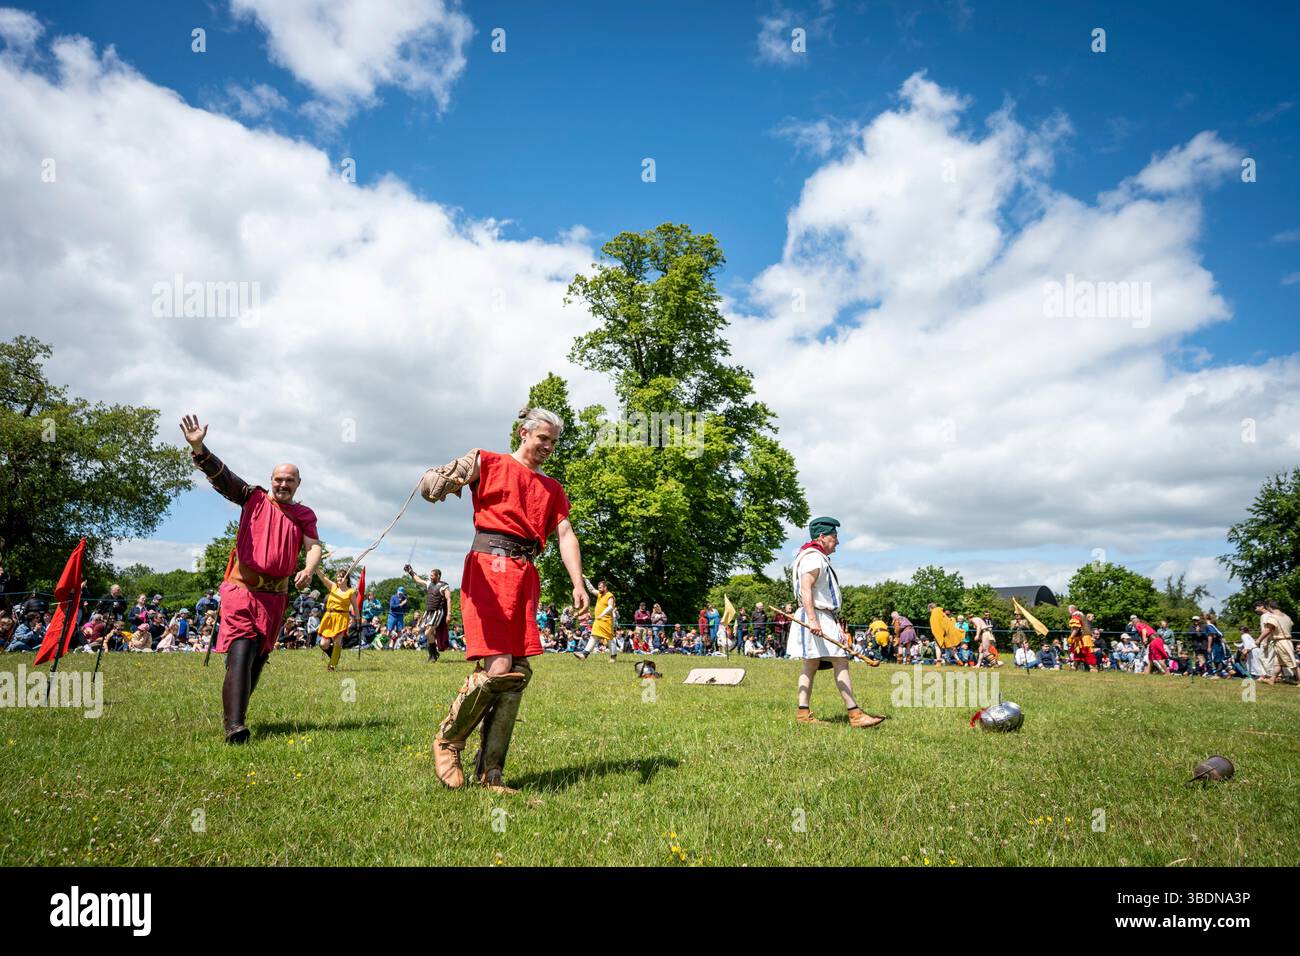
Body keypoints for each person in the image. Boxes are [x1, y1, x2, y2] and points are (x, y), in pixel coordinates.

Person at [424, 407, 588, 793]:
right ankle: (449, 740)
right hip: (489, 565)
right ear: (523, 433)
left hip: (525, 574)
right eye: (542, 438)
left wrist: (577, 582)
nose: (547, 446)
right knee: (498, 666)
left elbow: (565, 535)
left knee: (517, 673)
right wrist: (439, 481)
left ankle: (491, 772)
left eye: (553, 441)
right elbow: (433, 484)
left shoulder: (553, 489)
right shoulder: (488, 461)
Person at [180, 413, 322, 743]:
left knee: (258, 656)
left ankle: (238, 712)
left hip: (275, 598)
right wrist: (200, 447)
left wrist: (308, 568)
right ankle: (235, 727)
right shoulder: (253, 498)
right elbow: (224, 477)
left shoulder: (304, 515)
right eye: (278, 479)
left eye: (289, 480)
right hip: (242, 591)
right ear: (270, 480)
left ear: (298, 484)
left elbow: (313, 546)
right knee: (241, 650)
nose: (283, 484)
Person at [786, 516, 885, 728]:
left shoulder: (813, 556)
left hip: (821, 615)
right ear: (822, 537)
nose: (837, 542)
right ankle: (855, 714)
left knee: (810, 663)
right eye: (834, 537)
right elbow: (806, 588)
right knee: (840, 660)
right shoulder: (813, 557)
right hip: (816, 615)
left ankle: (803, 713)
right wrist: (814, 620)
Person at [406, 564, 451, 663]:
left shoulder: (444, 586)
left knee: (427, 632)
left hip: (437, 612)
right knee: (424, 632)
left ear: (438, 575)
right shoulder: (428, 583)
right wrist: (410, 572)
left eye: (432, 575)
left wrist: (449, 614)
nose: (430, 577)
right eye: (430, 575)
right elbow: (418, 580)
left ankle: (433, 654)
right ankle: (433, 654)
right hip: (428, 612)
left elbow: (448, 599)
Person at [314, 567, 356, 671]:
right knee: (323, 644)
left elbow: (355, 607)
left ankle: (332, 665)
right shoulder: (333, 587)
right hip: (329, 617)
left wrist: (358, 619)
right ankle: (335, 655)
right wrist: (315, 567)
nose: (339, 578)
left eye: (341, 577)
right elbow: (323, 577)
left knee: (337, 642)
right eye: (337, 576)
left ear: (346, 579)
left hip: (342, 617)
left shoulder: (350, 591)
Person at [1256, 599, 1297, 685]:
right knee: (1277, 663)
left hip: (1282, 641)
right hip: (1281, 641)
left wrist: (1260, 640)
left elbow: (1267, 630)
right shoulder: (1286, 616)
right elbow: (1291, 624)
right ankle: (1272, 679)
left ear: (1269, 607)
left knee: (1292, 664)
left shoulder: (1273, 617)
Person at [577, 581, 616, 662]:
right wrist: (585, 579)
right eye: (598, 587)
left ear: (605, 587)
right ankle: (584, 655)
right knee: (593, 636)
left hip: (607, 621)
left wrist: (602, 614)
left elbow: (610, 607)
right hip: (598, 620)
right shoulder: (599, 594)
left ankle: (613, 657)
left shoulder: (610, 595)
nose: (599, 589)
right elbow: (591, 589)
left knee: (609, 639)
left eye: (601, 587)